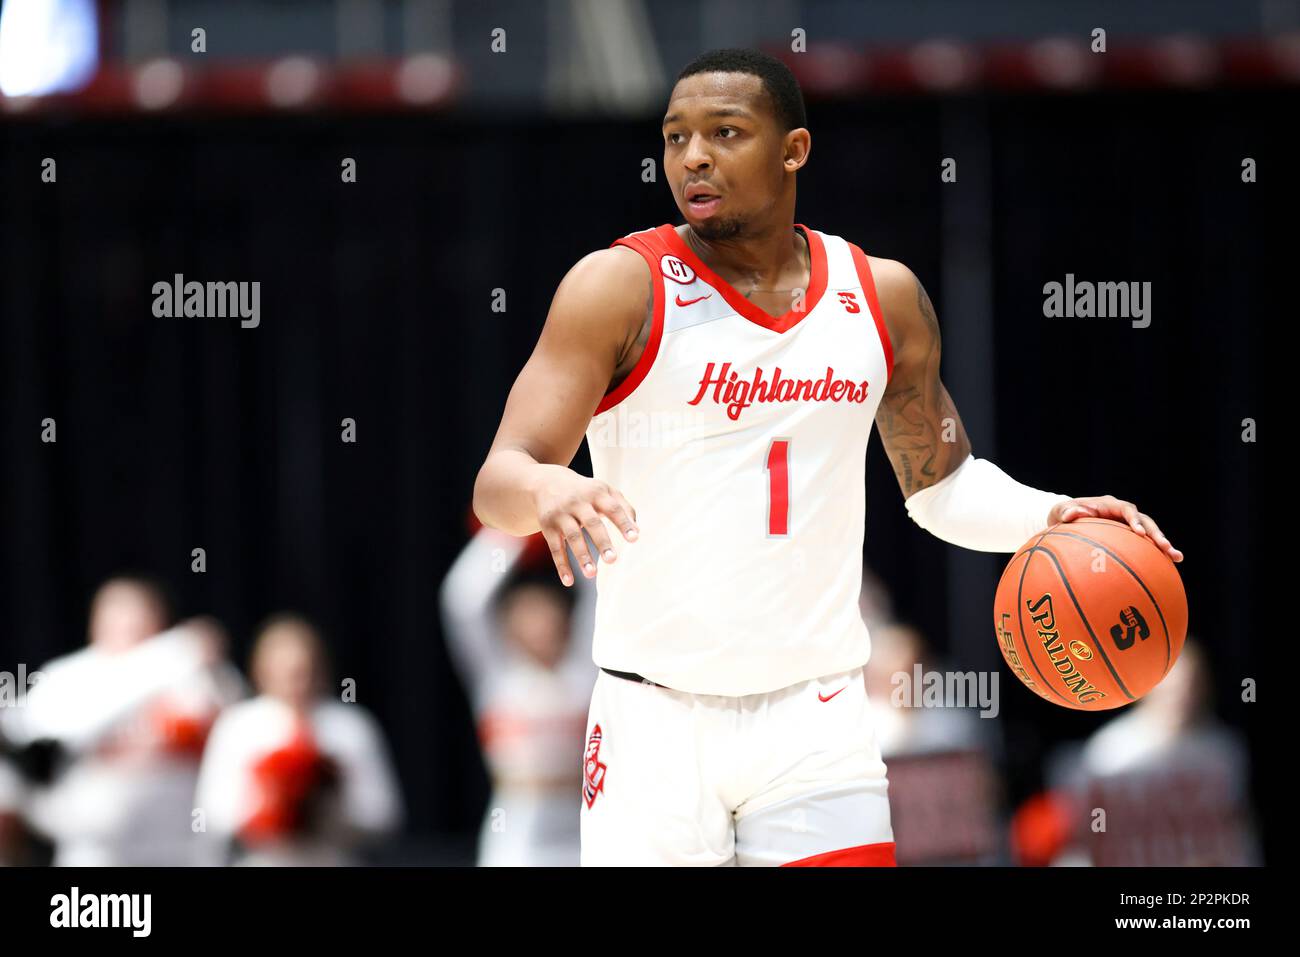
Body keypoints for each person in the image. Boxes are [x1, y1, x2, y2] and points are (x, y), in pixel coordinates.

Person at [472, 47, 1182, 867]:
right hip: (652, 722)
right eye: (674, 138)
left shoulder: (881, 296)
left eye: (724, 132)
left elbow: (941, 486)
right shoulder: (618, 287)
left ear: (793, 149)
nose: (691, 157)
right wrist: (547, 484)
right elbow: (499, 480)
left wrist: (1050, 514)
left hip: (818, 717)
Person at [2, 576, 243, 866]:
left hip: (181, 848)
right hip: (97, 851)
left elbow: (238, 739)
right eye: (116, 613)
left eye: (139, 614)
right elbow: (41, 741)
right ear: (95, 621)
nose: (128, 624)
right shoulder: (66, 677)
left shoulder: (198, 676)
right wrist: (176, 650)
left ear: (160, 620)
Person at [440, 525, 596, 865]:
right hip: (515, 823)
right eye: (527, 614)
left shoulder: (584, 671)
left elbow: (597, 594)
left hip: (581, 817)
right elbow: (462, 600)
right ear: (508, 624)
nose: (540, 624)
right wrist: (514, 528)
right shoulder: (497, 676)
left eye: (547, 612)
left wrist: (567, 531)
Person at [194, 614, 403, 866]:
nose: (298, 684)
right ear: (261, 671)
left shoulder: (350, 726)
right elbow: (211, 813)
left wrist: (328, 808)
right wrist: (270, 807)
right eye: (287, 673)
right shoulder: (238, 726)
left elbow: (384, 814)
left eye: (306, 671)